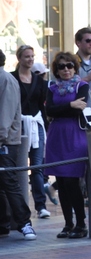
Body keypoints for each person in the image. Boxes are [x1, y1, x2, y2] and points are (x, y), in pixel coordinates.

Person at [44, 52, 89, 238]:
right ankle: (68, 223)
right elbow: (49, 110)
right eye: (61, 66)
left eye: (69, 65)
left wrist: (63, 109)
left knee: (72, 181)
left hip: (75, 137)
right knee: (61, 182)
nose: (66, 70)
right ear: (56, 70)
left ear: (75, 67)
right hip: (56, 137)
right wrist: (71, 105)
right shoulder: (51, 87)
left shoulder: (82, 85)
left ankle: (81, 224)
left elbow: (80, 110)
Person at [0, 51, 33, 240]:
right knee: (4, 184)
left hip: (5, 141)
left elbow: (5, 115)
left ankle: (24, 222)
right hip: (4, 139)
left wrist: (1, 137)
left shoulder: (5, 80)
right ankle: (3, 223)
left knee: (10, 182)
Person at [14, 45, 50, 219]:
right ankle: (19, 208)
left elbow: (43, 106)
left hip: (36, 124)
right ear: (19, 58)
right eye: (26, 56)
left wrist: (46, 127)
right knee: (18, 167)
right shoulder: (12, 78)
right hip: (18, 125)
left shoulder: (39, 82)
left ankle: (41, 205)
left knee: (37, 166)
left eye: (32, 56)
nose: (30, 59)